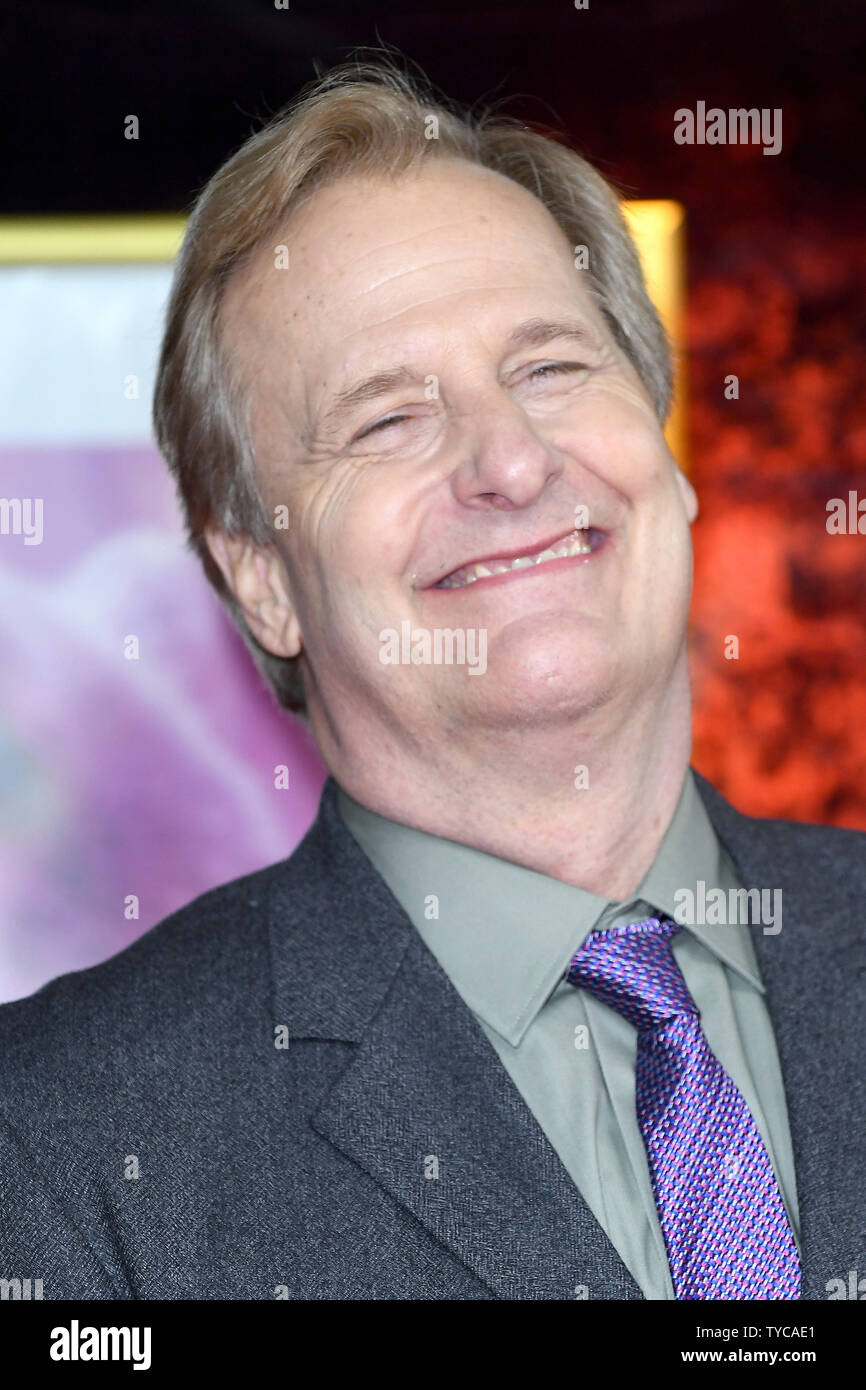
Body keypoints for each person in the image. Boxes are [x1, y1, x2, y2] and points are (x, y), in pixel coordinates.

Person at [1, 57, 863, 1302]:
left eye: (551, 367)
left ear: (667, 455)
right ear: (263, 581)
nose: (508, 462)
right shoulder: (56, 1150)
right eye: (387, 419)